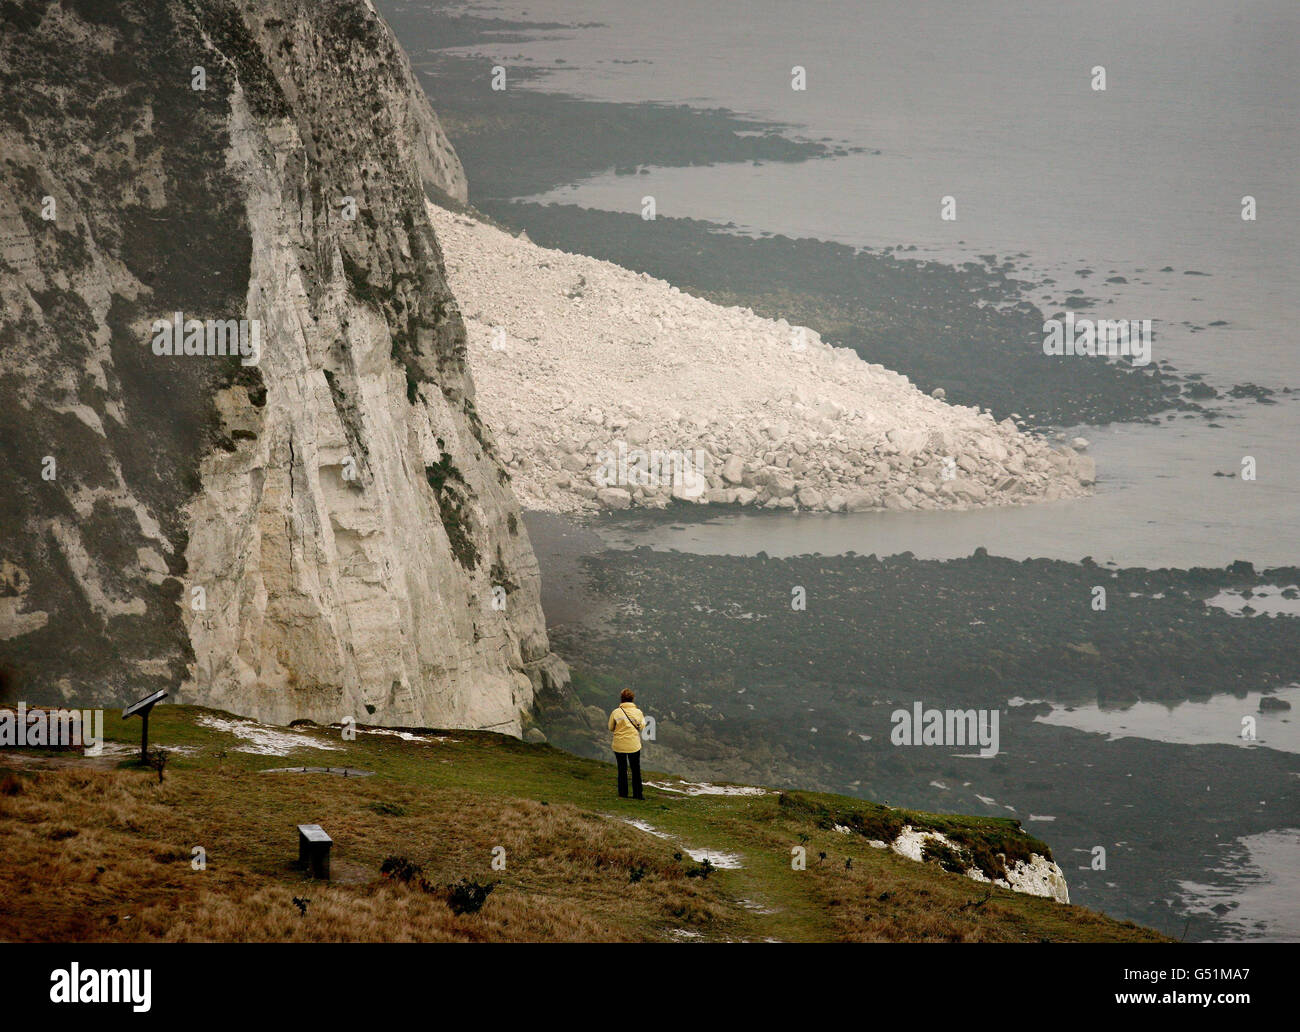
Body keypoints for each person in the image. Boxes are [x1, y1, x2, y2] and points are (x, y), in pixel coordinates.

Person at [608, 688, 645, 799]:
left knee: (622, 769)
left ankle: (623, 793)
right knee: (635, 769)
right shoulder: (638, 712)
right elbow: (642, 726)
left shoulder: (616, 712)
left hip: (619, 745)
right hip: (633, 745)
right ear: (632, 699)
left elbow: (610, 727)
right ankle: (638, 794)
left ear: (622, 699)